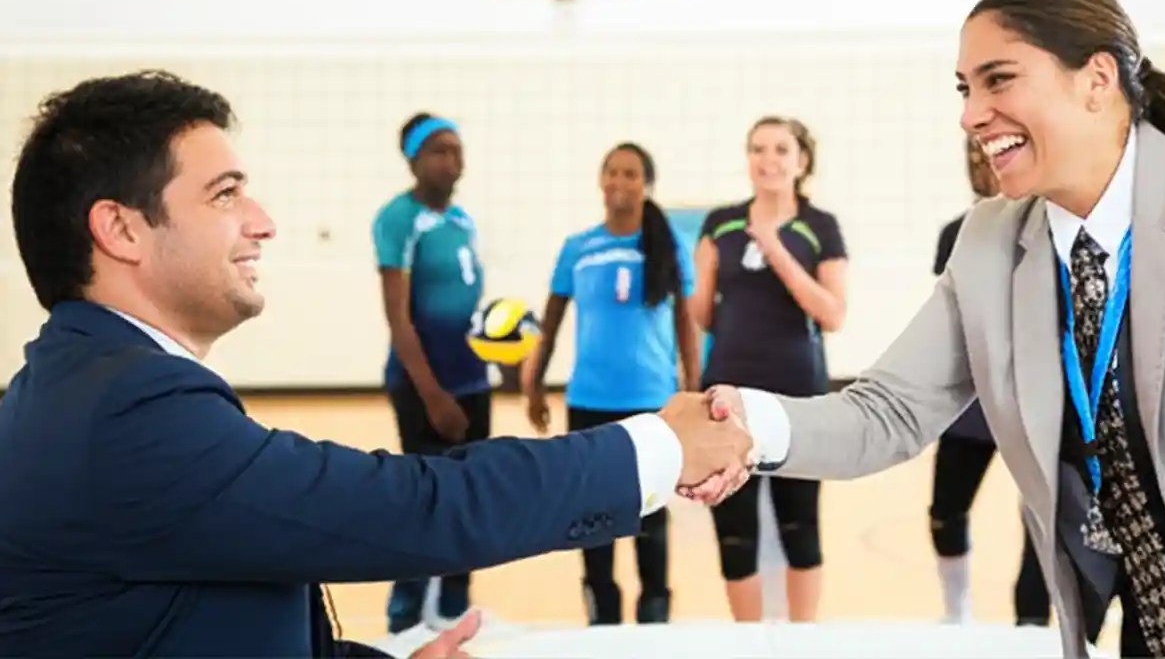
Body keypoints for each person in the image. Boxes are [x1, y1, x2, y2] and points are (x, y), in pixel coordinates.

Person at [0, 70, 752, 657]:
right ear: (121, 229)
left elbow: (207, 617)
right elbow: (414, 507)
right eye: (226, 194)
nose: (262, 222)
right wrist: (659, 444)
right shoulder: (125, 413)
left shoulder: (91, 387)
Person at [687, 0, 1165, 659]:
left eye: (998, 80)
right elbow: (889, 412)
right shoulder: (991, 242)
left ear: (1096, 79)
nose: (971, 116)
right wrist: (751, 425)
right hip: (1152, 637)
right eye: (966, 90)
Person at [522, 142, 700, 625]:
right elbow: (553, 321)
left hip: (652, 401)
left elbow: (687, 322)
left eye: (631, 174)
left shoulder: (666, 246)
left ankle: (654, 618)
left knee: (651, 517)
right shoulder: (578, 248)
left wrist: (694, 388)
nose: (620, 182)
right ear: (601, 181)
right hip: (589, 401)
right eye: (612, 172)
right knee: (593, 516)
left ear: (646, 184)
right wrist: (534, 382)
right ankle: (602, 620)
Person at [689, 116, 848, 622]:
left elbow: (832, 313)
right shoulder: (721, 223)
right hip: (726, 395)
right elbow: (704, 311)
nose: (768, 159)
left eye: (781, 149)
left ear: (801, 162)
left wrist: (774, 247)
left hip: (796, 398)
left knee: (799, 524)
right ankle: (748, 641)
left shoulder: (818, 226)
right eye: (758, 149)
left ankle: (802, 640)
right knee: (734, 530)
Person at [373, 112, 493, 632]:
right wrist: (434, 396)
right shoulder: (399, 219)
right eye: (440, 150)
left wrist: (503, 355)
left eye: (457, 149)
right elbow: (398, 318)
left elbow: (470, 304)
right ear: (414, 159)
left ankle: (453, 606)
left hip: (472, 378)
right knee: (423, 495)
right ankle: (405, 611)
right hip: (424, 383)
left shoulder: (463, 220)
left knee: (472, 491)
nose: (452, 160)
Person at [928, 138, 1050, 627]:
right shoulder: (955, 233)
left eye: (988, 157)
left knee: (1040, 522)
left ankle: (1032, 626)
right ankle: (956, 610)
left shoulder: (1048, 224)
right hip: (972, 401)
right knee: (945, 511)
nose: (982, 167)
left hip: (1035, 399)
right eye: (972, 159)